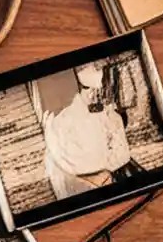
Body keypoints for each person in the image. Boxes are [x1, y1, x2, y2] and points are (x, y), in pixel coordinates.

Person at [37, 61, 140, 200]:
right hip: (75, 98)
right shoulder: (119, 158)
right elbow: (114, 117)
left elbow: (53, 144)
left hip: (60, 107)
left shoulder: (73, 167)